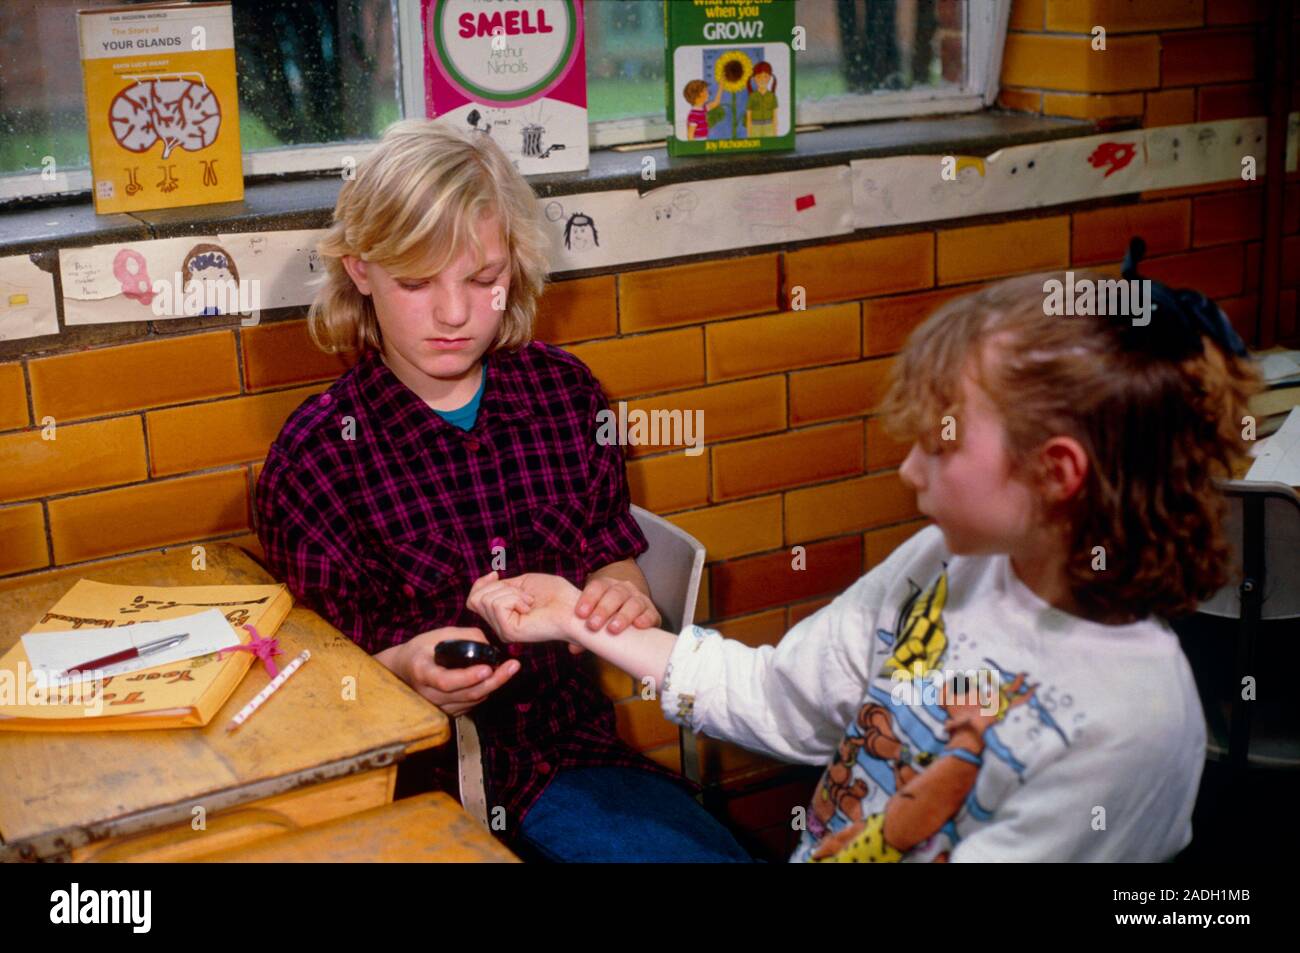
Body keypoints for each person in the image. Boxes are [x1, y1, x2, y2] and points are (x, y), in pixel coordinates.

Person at [468, 257, 1260, 862]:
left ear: (1056, 474)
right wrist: (574, 611)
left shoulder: (1132, 723)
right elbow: (779, 696)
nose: (910, 469)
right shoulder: (948, 561)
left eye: (940, 440)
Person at [254, 119, 751, 863]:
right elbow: (323, 686)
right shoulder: (318, 456)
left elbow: (610, 552)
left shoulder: (565, 394)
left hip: (564, 756)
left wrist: (619, 591)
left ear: (513, 268)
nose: (455, 314)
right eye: (417, 283)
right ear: (360, 270)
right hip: (404, 783)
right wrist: (400, 672)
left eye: (483, 280)